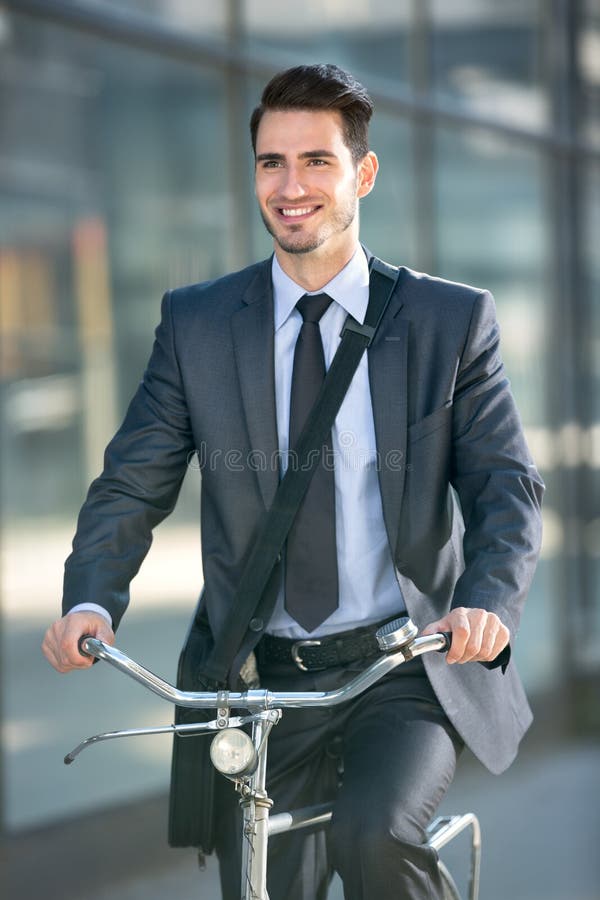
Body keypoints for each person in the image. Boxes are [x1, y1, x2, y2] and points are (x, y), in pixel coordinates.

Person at [42, 63, 544, 899]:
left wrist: (486, 601)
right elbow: (132, 481)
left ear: (364, 174)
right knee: (263, 884)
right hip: (259, 681)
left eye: (317, 160)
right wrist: (91, 596)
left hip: (401, 667)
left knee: (374, 836)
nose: (292, 185)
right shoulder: (198, 325)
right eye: (272, 162)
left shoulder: (448, 322)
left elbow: (506, 487)